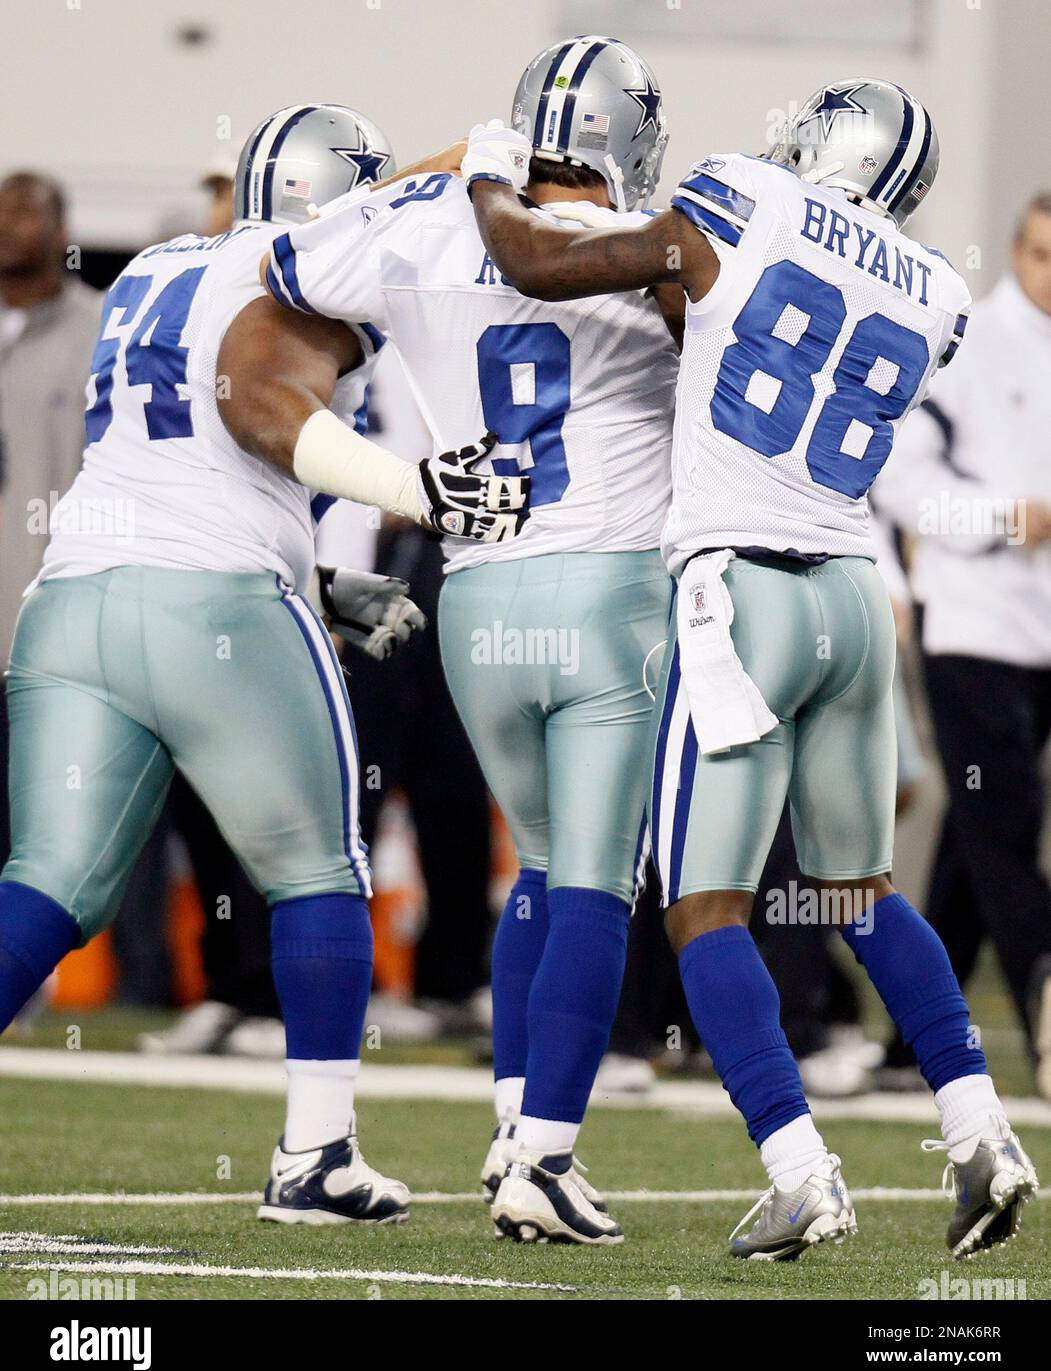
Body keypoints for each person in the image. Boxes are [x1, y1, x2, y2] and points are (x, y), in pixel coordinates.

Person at [465, 77, 1039, 1260]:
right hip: (851, 593)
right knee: (859, 892)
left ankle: (798, 1169)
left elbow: (545, 265)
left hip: (740, 592)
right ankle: (981, 1128)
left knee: (702, 909)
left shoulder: (740, 194)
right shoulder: (936, 288)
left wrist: (487, 173)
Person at [0, 104, 526, 1229]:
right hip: (214, 608)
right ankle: (316, 1155)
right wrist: (416, 492)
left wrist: (323, 582)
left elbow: (178, 462)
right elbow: (260, 415)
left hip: (73, 602)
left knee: (48, 886)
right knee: (320, 871)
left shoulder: (155, 269)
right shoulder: (298, 277)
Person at [255, 35, 679, 1244]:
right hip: (605, 588)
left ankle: (511, 1124)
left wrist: (440, 167)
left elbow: (280, 258)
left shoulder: (430, 220)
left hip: (475, 592)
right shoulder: (654, 243)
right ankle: (542, 1154)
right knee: (591, 875)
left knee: (538, 863)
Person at [873, 191, 1051, 1099]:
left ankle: (912, 1041)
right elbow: (898, 478)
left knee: (972, 839)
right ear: (1016, 252)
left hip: (1041, 631)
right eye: (1040, 254)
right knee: (1004, 821)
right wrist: (1000, 519)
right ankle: (1043, 988)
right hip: (971, 622)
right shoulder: (966, 342)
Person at [0, 172, 101, 869]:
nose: (7, 223)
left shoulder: (101, 327)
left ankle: (145, 957)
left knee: (72, 835)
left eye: (25, 211)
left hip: (60, 632)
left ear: (62, 232)